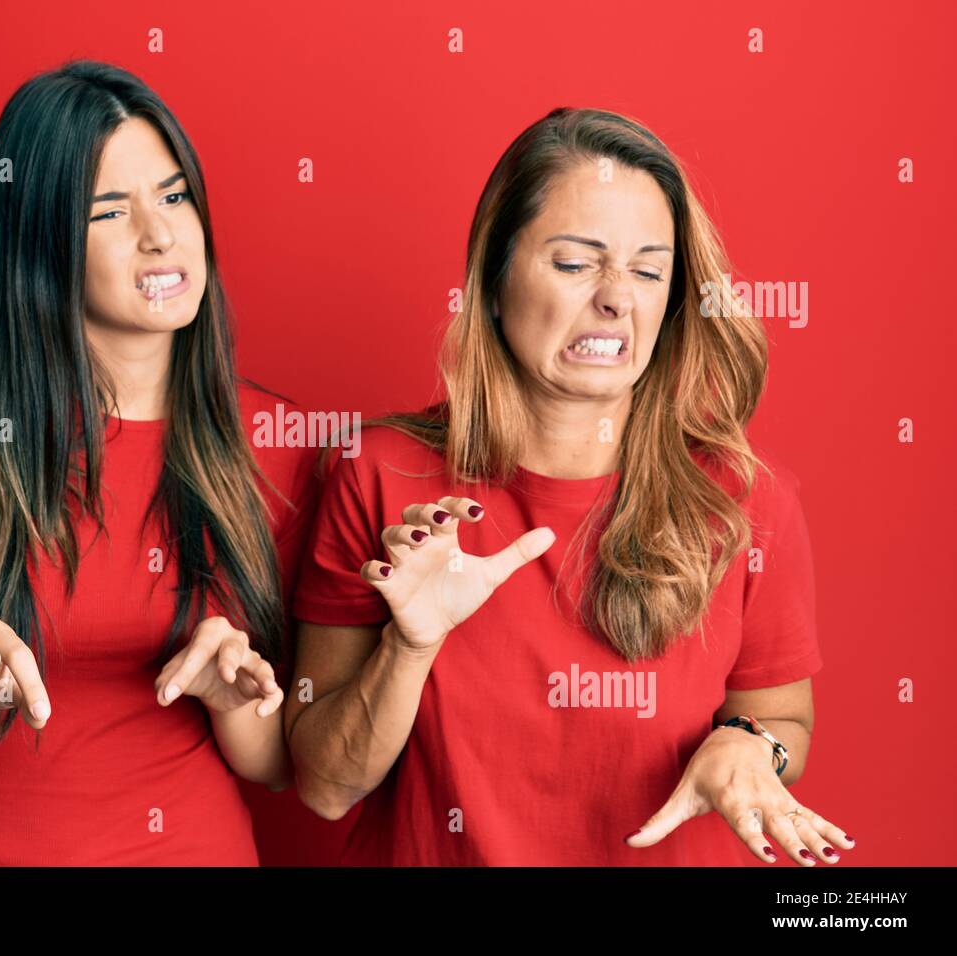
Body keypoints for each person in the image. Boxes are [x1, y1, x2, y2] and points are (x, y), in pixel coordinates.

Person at [286, 107, 852, 866]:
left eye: (649, 270)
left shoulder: (746, 502)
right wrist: (408, 648)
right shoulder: (380, 474)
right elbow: (324, 786)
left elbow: (783, 719)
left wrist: (749, 747)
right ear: (493, 281)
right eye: (576, 262)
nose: (618, 297)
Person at [0, 61, 319, 865]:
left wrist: (231, 699)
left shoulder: (272, 437)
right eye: (108, 211)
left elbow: (273, 763)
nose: (160, 234)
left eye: (173, 196)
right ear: (44, 241)